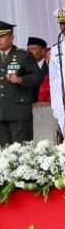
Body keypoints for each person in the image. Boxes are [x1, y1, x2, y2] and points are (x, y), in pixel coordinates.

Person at [0, 19, 42, 146]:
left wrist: (21, 79)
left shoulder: (23, 55)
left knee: (22, 151)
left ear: (12, 37)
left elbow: (37, 76)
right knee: (2, 152)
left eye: (1, 36)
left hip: (19, 111)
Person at [49, 8, 65, 138]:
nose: (63, 27)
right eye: (61, 23)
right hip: (63, 106)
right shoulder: (55, 50)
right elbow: (54, 80)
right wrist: (56, 106)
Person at [27, 37, 51, 103]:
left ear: (43, 51)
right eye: (28, 50)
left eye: (33, 49)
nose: (29, 52)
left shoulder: (50, 67)